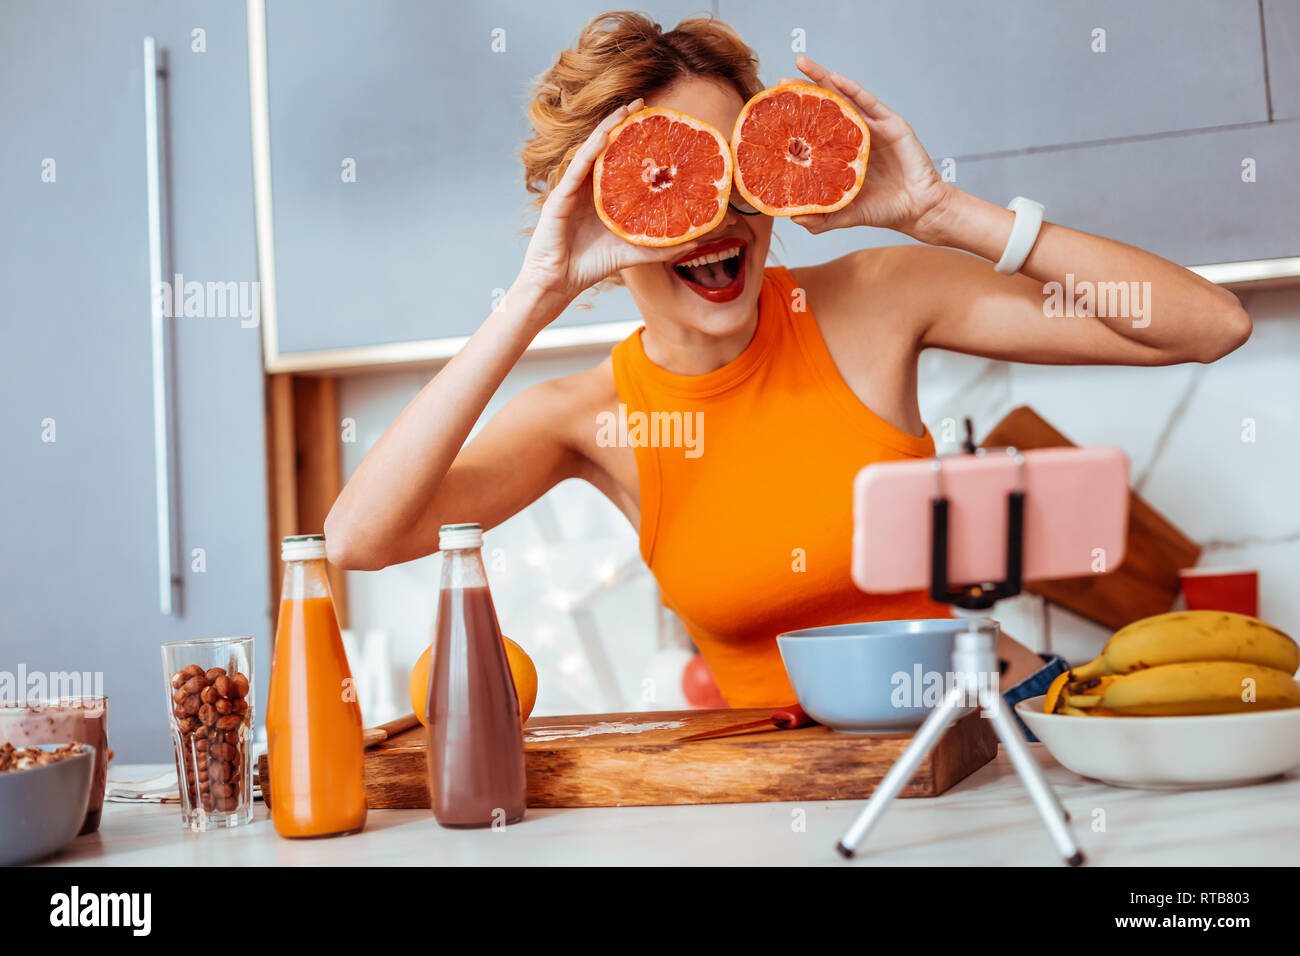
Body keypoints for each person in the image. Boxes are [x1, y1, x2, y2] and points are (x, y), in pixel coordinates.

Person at [325, 12, 1249, 714]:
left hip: (1002, 729)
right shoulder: (589, 418)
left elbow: (1204, 326)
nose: (717, 216)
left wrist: (945, 214)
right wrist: (534, 295)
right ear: (607, 212)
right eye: (671, 186)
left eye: (740, 176)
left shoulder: (874, 298)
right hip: (796, 796)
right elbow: (360, 541)